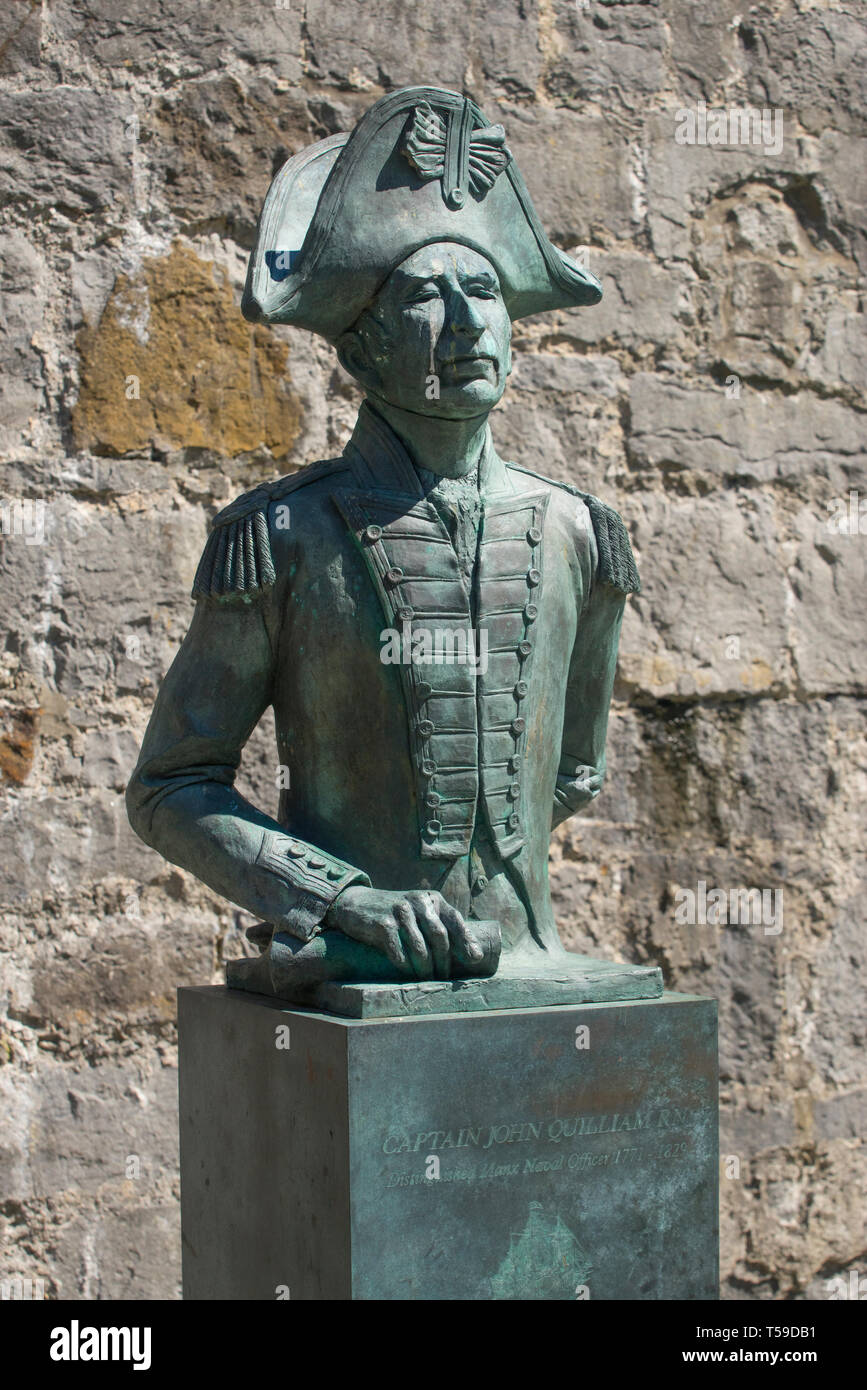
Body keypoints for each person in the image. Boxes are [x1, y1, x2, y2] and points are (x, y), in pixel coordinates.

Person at [126, 87, 640, 992]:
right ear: (360, 354)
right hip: (348, 967)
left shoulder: (578, 531)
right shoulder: (281, 534)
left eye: (482, 291)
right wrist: (341, 901)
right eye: (423, 298)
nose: (466, 322)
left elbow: (575, 769)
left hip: (530, 966)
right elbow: (170, 788)